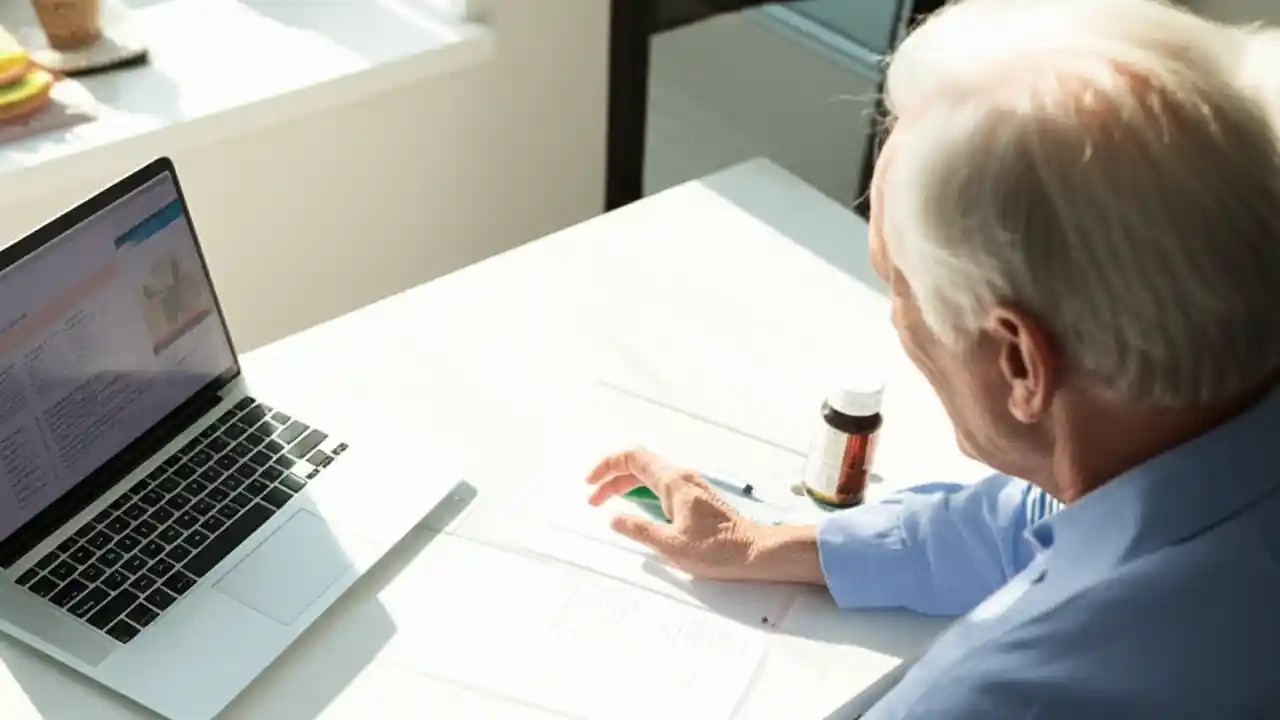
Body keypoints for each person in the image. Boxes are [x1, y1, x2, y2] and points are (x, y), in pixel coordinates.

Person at [584, 0, 1280, 716]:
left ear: (1020, 365)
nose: (896, 320)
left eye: (899, 284)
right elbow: (1039, 515)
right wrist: (772, 542)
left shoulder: (1002, 696)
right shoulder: (1200, 440)